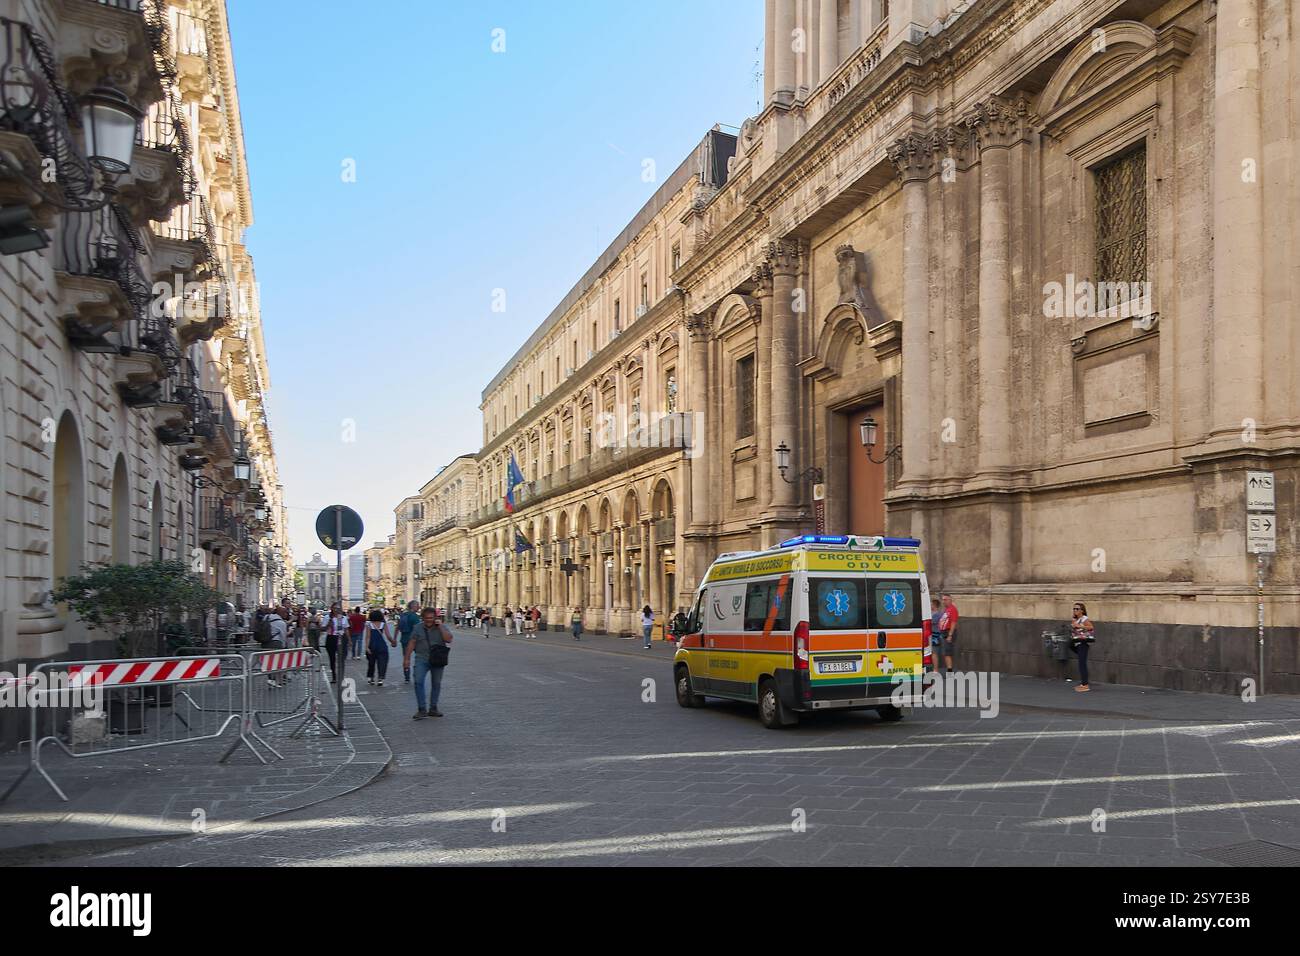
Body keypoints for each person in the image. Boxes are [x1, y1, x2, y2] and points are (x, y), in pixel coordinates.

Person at [404, 608, 452, 718]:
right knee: (418, 681)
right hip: (422, 658)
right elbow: (412, 643)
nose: (429, 620)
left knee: (436, 683)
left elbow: (449, 639)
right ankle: (422, 709)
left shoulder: (441, 627)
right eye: (426, 618)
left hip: (438, 659)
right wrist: (406, 659)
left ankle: (433, 708)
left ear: (435, 618)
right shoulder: (417, 628)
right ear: (423, 618)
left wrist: (440, 627)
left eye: (431, 618)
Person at [365, 608, 397, 686]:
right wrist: (393, 642)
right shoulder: (383, 624)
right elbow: (388, 636)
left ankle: (370, 678)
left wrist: (366, 647)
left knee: (371, 663)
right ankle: (380, 678)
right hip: (381, 645)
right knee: (382, 662)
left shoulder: (369, 624)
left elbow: (368, 637)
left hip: (372, 645)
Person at [1070, 601, 1095, 692]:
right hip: (1078, 642)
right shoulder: (1076, 619)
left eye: (1077, 609)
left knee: (1082, 664)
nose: (1075, 610)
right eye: (1074, 609)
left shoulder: (1084, 619)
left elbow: (1091, 627)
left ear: (1082, 611)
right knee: (1081, 661)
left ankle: (1085, 685)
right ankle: (1083, 684)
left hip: (1083, 642)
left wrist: (1079, 625)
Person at [396, 600, 420, 682]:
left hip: (404, 640)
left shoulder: (402, 615)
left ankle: (407, 677)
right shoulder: (415, 616)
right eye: (417, 606)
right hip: (415, 640)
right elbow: (418, 629)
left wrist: (394, 639)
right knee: (419, 657)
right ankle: (418, 673)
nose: (419, 607)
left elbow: (397, 627)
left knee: (406, 658)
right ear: (413, 606)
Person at [324, 603, 348, 683]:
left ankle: (341, 676)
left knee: (341, 658)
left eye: (338, 608)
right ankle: (334, 676)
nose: (336, 610)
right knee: (332, 658)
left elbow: (346, 629)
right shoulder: (327, 617)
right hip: (331, 638)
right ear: (332, 609)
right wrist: (328, 624)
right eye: (334, 608)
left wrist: (349, 640)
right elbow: (322, 628)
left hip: (341, 638)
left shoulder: (343, 618)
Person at [938, 593, 959, 673]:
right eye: (943, 600)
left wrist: (950, 635)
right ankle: (949, 671)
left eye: (945, 600)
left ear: (950, 600)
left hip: (948, 632)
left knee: (947, 653)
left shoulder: (953, 609)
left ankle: (950, 673)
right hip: (944, 632)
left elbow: (954, 622)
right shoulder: (947, 609)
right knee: (946, 653)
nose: (943, 601)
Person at [929, 597, 945, 672]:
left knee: (934, 653)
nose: (930, 606)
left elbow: (930, 623)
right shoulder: (933, 614)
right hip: (932, 635)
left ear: (934, 605)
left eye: (931, 604)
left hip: (935, 636)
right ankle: (934, 668)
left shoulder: (937, 615)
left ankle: (936, 669)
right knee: (932, 652)